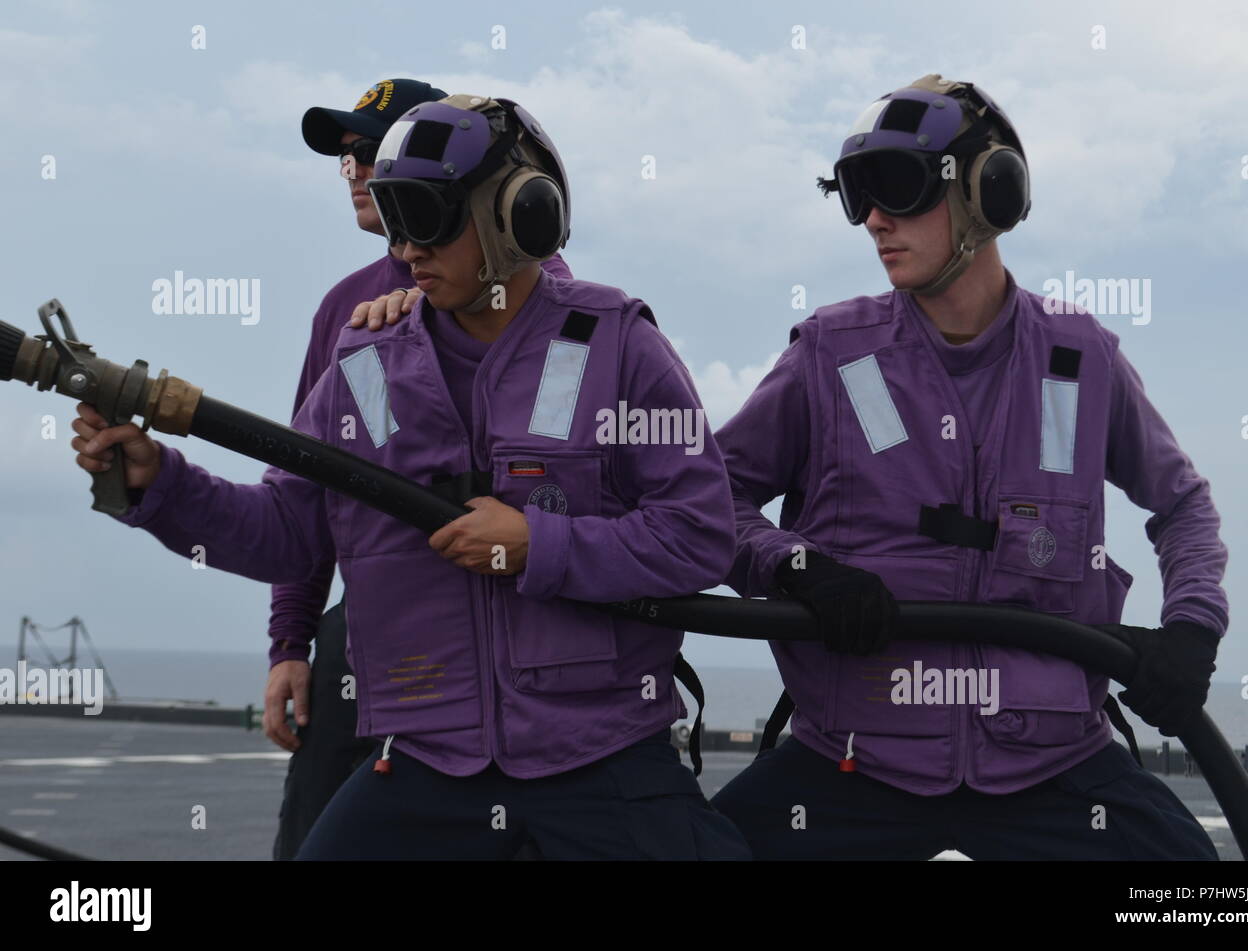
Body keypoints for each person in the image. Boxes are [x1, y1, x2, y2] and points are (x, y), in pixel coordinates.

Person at [70, 94, 748, 860]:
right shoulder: (367, 368)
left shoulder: (616, 344)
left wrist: (536, 543)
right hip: (430, 758)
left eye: (425, 215)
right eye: (392, 218)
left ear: (515, 214)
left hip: (602, 752)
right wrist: (160, 483)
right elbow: (287, 534)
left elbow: (700, 534)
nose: (404, 246)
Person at [710, 74, 1227, 860]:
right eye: (858, 197)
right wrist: (797, 568)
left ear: (991, 194)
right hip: (856, 753)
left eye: (899, 189)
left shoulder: (1078, 359)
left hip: (1051, 759)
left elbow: (1182, 504)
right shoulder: (830, 353)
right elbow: (711, 498)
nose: (876, 220)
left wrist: (1191, 628)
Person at [268, 78, 573, 860]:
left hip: (519, 613)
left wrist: (434, 322)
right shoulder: (346, 314)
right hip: (377, 619)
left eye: (373, 153)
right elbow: (307, 490)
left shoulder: (554, 302)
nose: (358, 171)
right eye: (348, 157)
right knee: (314, 823)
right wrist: (290, 645)